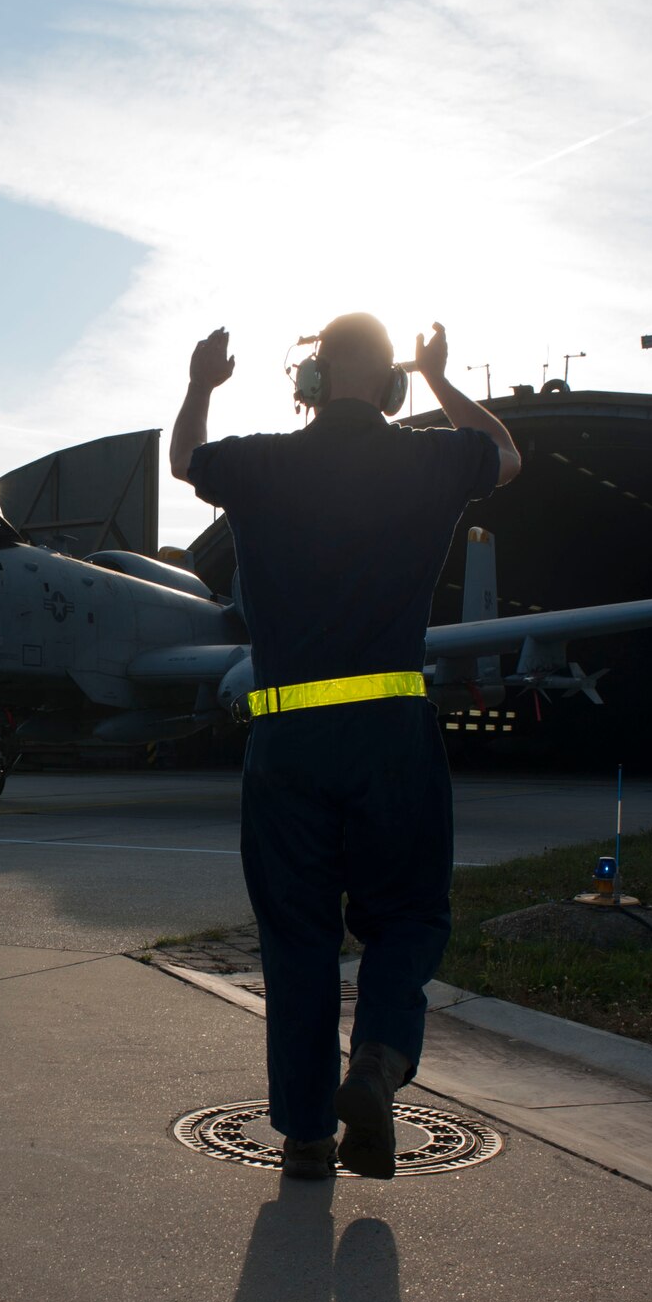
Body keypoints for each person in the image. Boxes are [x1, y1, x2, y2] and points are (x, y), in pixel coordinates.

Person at [170, 314, 520, 1180]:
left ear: (312, 383)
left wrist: (200, 387)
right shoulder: (429, 458)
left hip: (286, 733)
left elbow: (183, 458)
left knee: (295, 939)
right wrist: (440, 381)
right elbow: (506, 455)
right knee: (406, 915)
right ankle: (378, 1058)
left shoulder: (259, 463)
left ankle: (304, 1138)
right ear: (391, 385)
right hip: (389, 729)